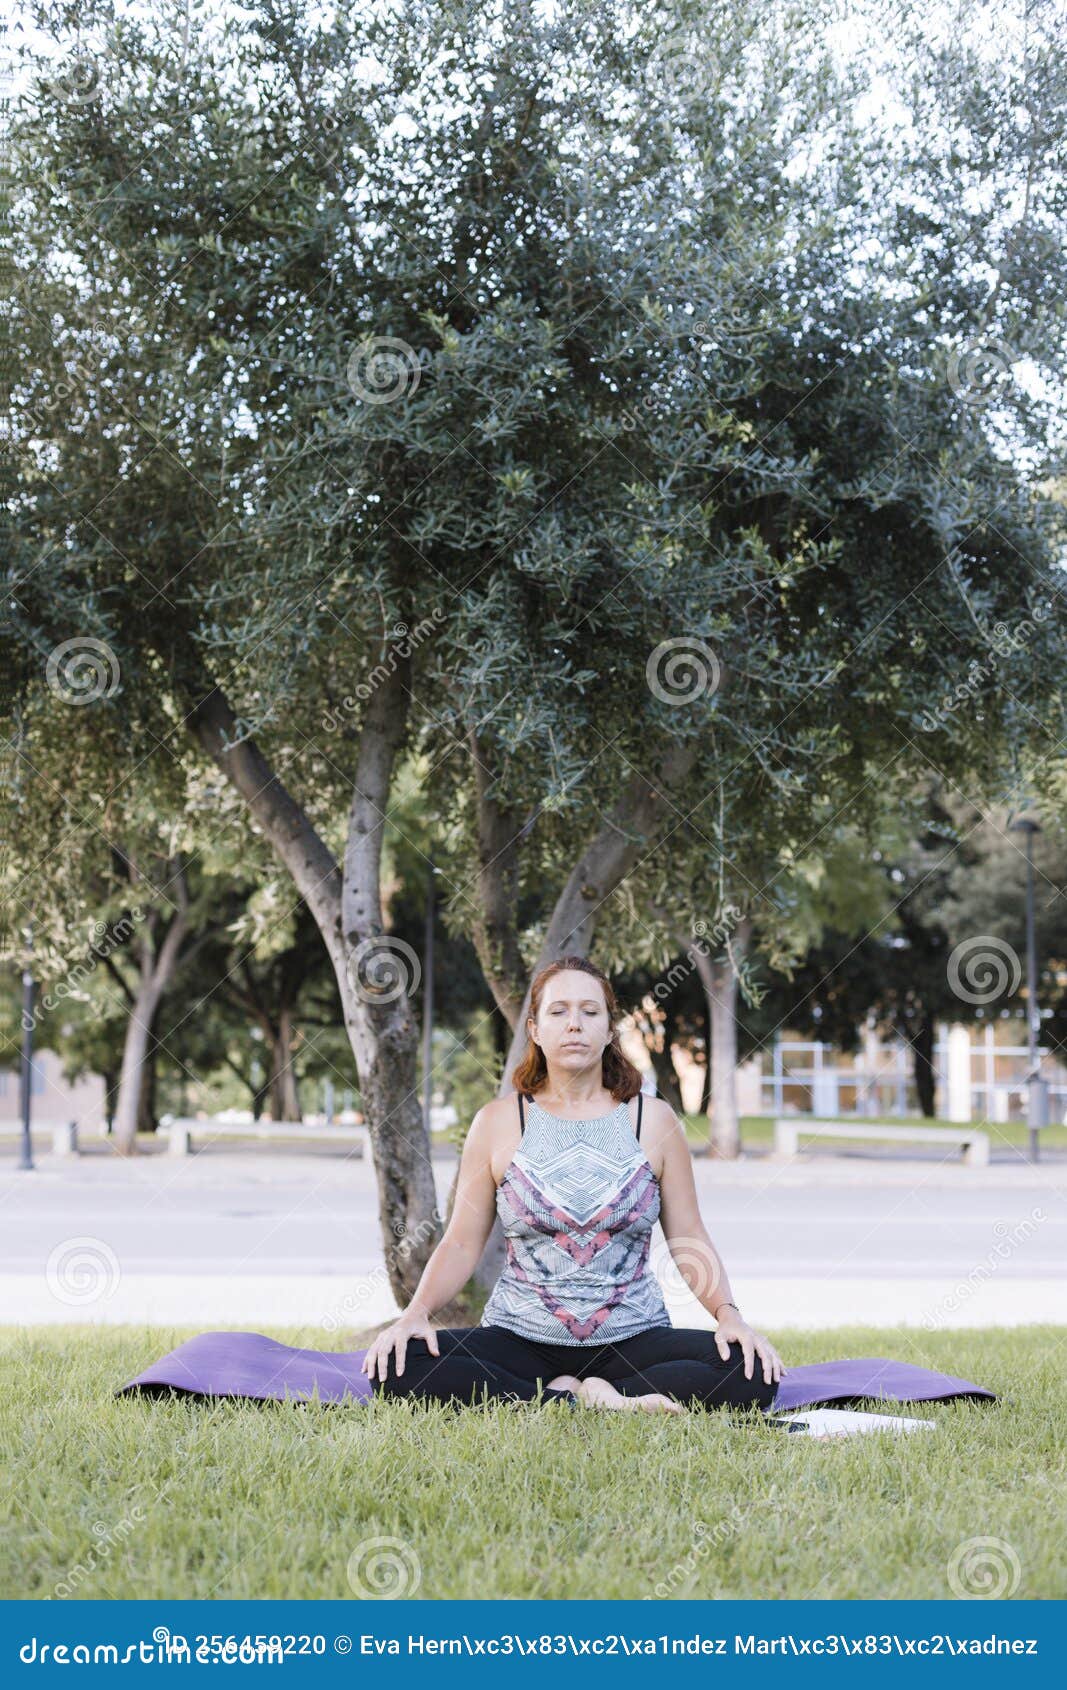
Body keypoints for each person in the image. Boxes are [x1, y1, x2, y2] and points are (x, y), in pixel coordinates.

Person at [362, 955, 785, 1415]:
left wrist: (729, 1315)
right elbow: (461, 1243)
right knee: (398, 1369)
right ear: (535, 1029)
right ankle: (583, 1400)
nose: (575, 1025)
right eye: (558, 1011)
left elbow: (688, 1236)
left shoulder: (654, 1120)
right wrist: (415, 1314)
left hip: (633, 1339)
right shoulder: (498, 1122)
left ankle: (580, 1397)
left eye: (590, 1011)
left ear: (609, 1029)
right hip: (519, 1339)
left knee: (752, 1371)